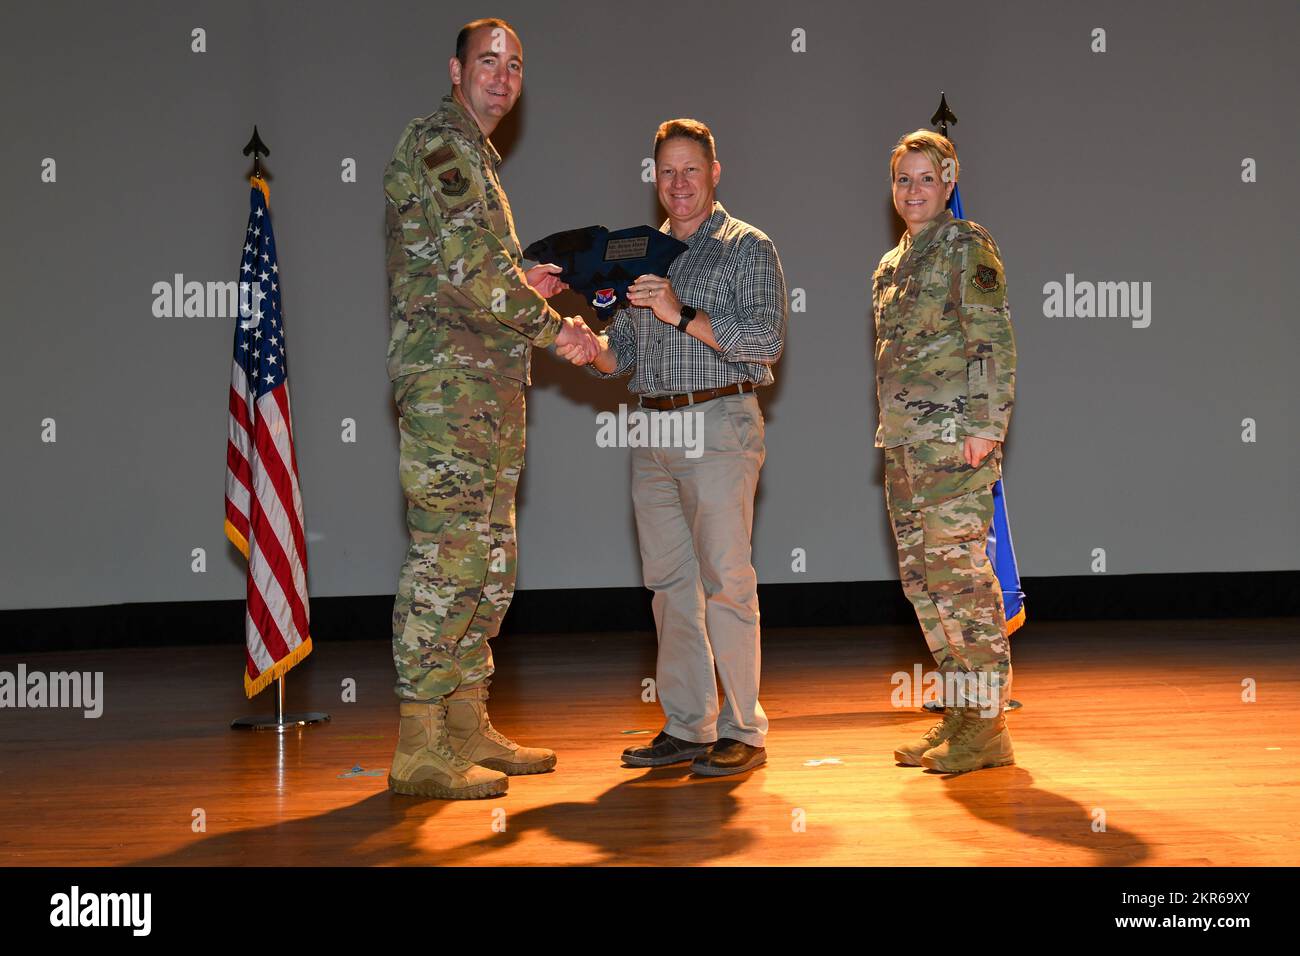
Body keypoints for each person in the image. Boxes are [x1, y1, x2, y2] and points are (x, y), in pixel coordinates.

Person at [382, 17, 600, 799]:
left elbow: (475, 271)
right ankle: (417, 742)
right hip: (450, 392)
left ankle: (466, 723)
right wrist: (559, 331)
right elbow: (474, 270)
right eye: (488, 62)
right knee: (450, 559)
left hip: (488, 393)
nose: (502, 78)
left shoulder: (480, 161)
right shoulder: (438, 145)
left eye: (514, 66)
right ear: (455, 68)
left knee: (492, 564)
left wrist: (525, 280)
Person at [571, 119, 787, 777]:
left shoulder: (747, 247)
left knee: (727, 582)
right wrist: (594, 352)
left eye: (691, 169)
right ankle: (689, 725)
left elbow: (764, 343)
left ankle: (744, 730)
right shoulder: (639, 250)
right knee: (669, 586)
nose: (678, 183)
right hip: (654, 429)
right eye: (666, 171)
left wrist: (683, 312)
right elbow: (627, 355)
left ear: (714, 173)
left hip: (719, 423)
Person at [871, 130, 1017, 773]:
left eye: (927, 178)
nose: (914, 190)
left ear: (949, 183)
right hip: (904, 447)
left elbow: (991, 335)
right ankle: (963, 713)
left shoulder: (965, 244)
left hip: (957, 444)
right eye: (903, 178)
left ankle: (989, 728)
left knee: (961, 584)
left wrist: (988, 424)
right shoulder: (890, 264)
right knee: (924, 585)